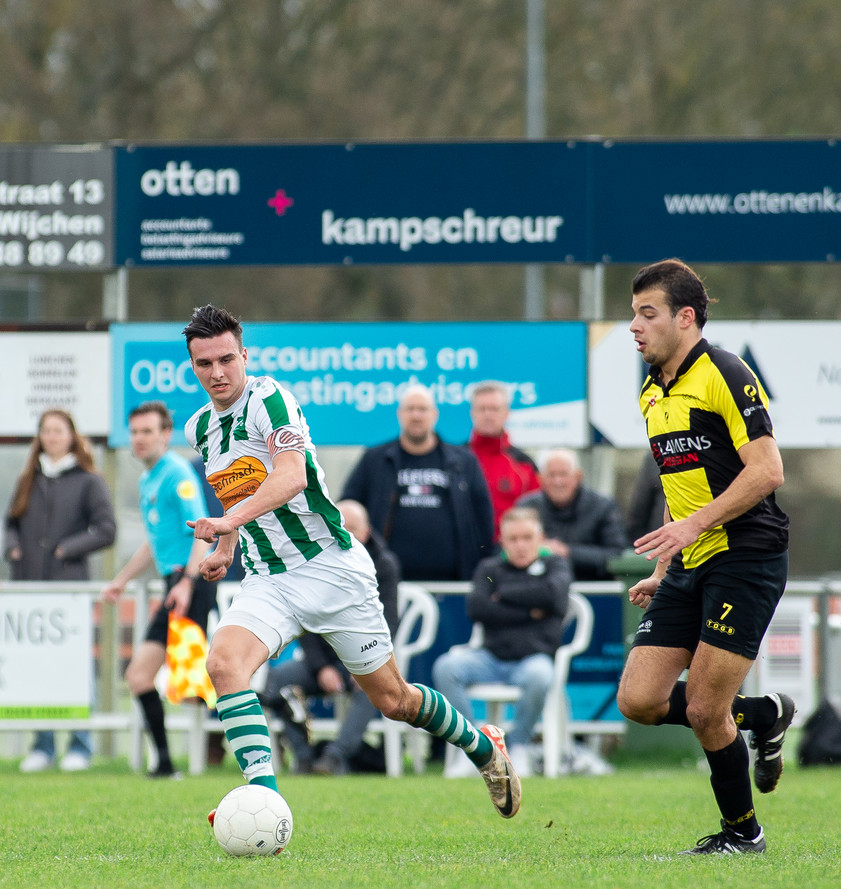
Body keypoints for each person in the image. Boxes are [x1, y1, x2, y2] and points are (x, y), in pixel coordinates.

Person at [180, 304, 520, 821]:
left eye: (226, 359)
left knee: (395, 701)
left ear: (244, 355)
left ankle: (481, 744)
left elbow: (291, 476)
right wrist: (227, 546)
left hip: (332, 570)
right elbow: (237, 491)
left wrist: (229, 525)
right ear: (193, 366)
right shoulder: (200, 428)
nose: (217, 373)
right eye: (204, 364)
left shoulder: (269, 400)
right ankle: (263, 802)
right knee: (224, 664)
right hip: (269, 578)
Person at [615, 259, 796, 856]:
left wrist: (692, 527)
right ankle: (765, 714)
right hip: (690, 562)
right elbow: (680, 486)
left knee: (703, 709)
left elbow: (767, 470)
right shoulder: (650, 390)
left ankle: (744, 834)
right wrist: (663, 568)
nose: (635, 326)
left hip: (748, 556)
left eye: (648, 314)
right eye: (633, 314)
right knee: (638, 701)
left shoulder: (725, 372)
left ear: (685, 317)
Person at [99, 401, 218, 778]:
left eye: (148, 432)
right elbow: (155, 542)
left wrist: (186, 583)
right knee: (138, 677)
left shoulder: (177, 472)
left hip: (191, 584)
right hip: (174, 585)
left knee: (194, 685)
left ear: (165, 435)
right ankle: (166, 764)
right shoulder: (147, 478)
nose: (139, 439)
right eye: (134, 432)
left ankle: (233, 755)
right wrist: (121, 580)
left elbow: (204, 532)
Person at [5, 408, 116, 773]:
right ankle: (43, 745)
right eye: (46, 431)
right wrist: (12, 548)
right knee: (36, 667)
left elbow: (105, 529)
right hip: (29, 591)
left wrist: (65, 549)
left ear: (71, 435)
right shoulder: (29, 478)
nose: (51, 436)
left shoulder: (88, 480)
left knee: (76, 667)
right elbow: (11, 523)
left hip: (69, 591)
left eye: (58, 430)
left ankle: (80, 746)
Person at [262, 499, 400, 776]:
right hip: (323, 660)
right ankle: (303, 757)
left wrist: (361, 663)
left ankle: (335, 758)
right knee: (276, 682)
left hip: (363, 654)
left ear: (366, 531)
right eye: (340, 526)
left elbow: (388, 621)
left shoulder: (383, 565)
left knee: (372, 688)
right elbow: (304, 622)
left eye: (353, 528)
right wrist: (321, 668)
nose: (345, 534)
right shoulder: (311, 561)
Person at [433, 506, 572, 775]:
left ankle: (517, 747)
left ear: (540, 538)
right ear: (502, 540)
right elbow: (476, 607)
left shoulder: (555, 564)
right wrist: (530, 610)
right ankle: (473, 747)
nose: (520, 545)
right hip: (490, 657)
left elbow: (554, 596)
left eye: (527, 538)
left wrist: (503, 594)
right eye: (513, 539)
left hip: (533, 658)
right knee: (445, 668)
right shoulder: (490, 567)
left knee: (541, 676)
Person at [341, 383, 494, 583]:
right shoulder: (375, 460)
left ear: (435, 414)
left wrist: (480, 571)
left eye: (422, 409)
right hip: (385, 581)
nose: (416, 415)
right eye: (410, 409)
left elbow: (484, 520)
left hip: (454, 584)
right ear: (399, 414)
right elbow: (347, 510)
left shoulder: (463, 462)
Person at [516, 447, 628, 581]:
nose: (558, 482)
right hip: (539, 588)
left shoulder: (603, 506)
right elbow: (505, 548)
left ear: (578, 477)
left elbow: (617, 554)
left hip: (592, 585)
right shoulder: (526, 507)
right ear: (541, 479)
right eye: (551, 475)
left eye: (563, 474)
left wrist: (567, 552)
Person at [466, 380, 540, 538]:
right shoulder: (455, 460)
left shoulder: (523, 464)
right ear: (473, 413)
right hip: (464, 550)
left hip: (507, 554)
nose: (488, 414)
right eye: (482, 409)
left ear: (506, 413)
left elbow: (538, 514)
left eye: (494, 409)